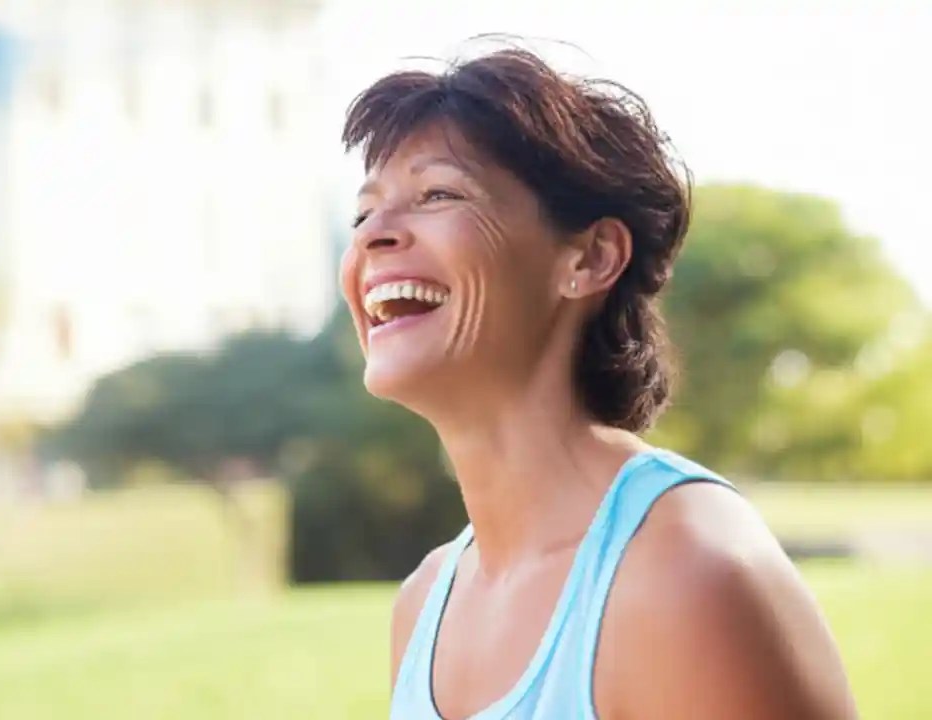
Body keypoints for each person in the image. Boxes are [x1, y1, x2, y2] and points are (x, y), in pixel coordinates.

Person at [338, 46, 858, 720]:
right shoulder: (423, 604)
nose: (373, 235)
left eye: (439, 193)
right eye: (361, 213)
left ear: (590, 257)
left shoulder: (686, 574)